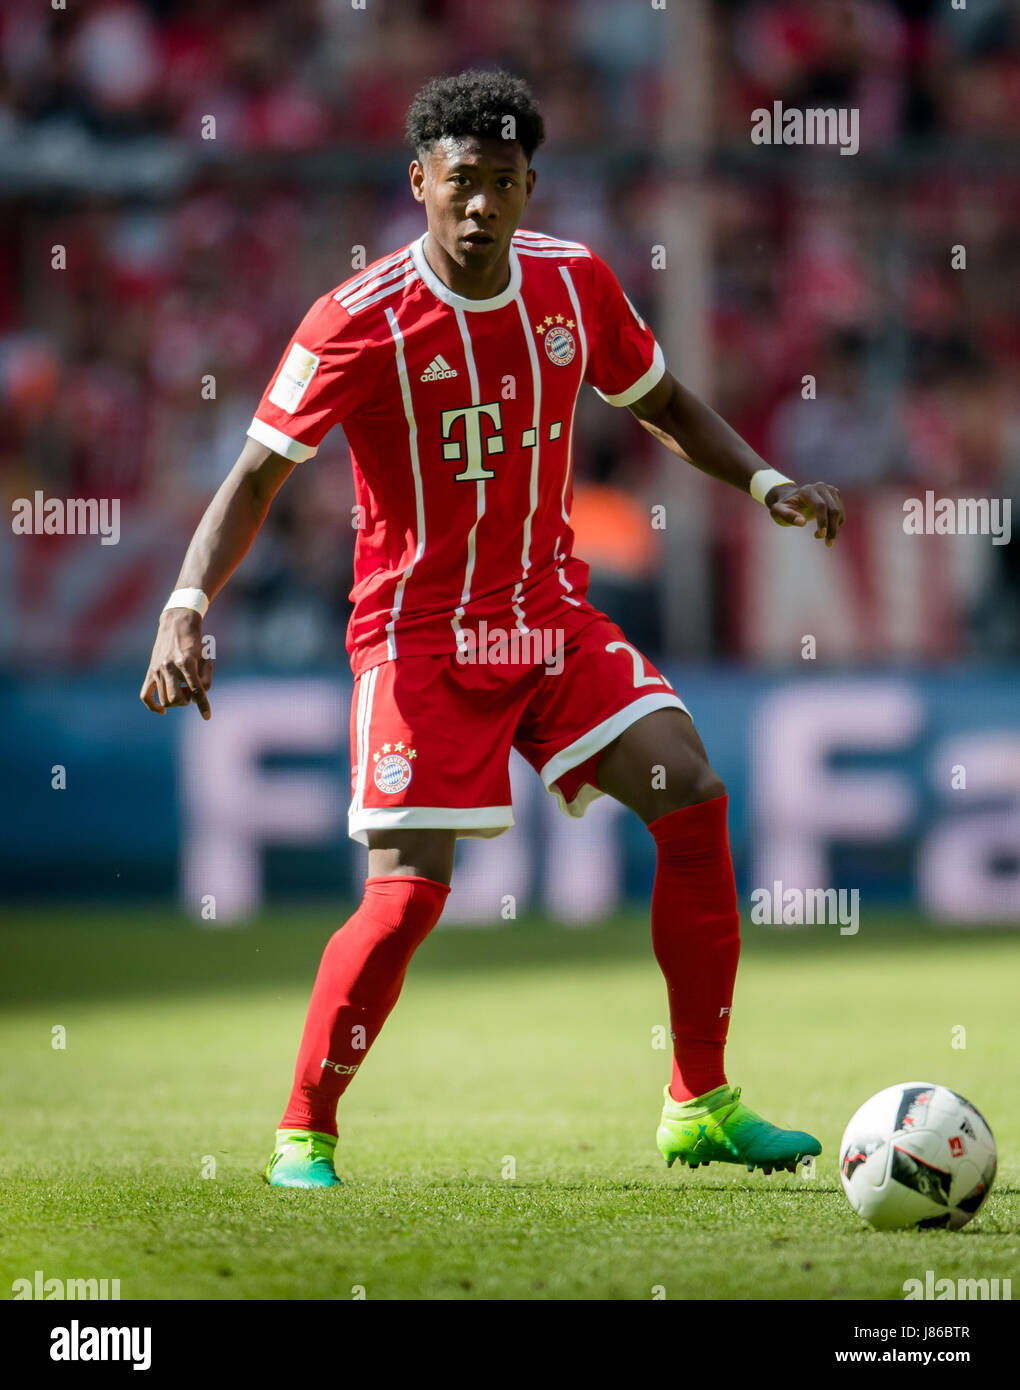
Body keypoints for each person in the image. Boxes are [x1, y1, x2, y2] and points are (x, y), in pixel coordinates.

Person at [140, 70, 844, 1189]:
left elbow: (660, 402)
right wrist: (184, 608)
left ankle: (698, 1101)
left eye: (505, 184)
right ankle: (303, 1130)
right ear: (419, 180)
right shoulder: (355, 318)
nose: (482, 206)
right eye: (461, 181)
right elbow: (257, 477)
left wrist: (766, 483)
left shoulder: (575, 285)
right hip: (417, 639)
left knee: (693, 795)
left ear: (530, 187)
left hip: (547, 619)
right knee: (410, 893)